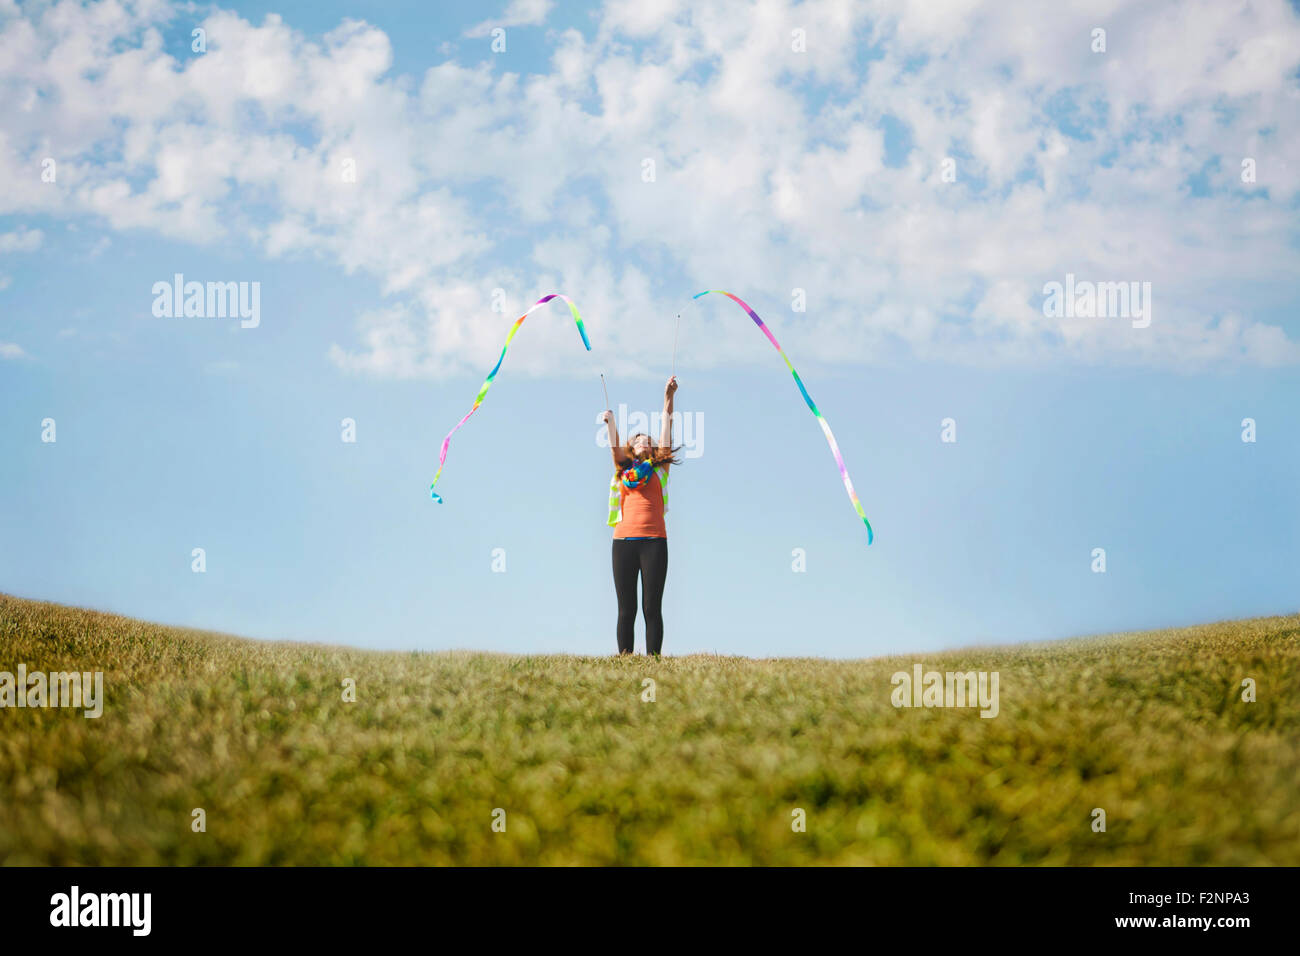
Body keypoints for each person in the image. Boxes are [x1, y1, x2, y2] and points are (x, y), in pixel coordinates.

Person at [601, 376, 681, 655]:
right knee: (627, 609)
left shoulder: (660, 469)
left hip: (654, 542)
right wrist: (611, 423)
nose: (645, 441)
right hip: (623, 543)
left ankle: (653, 660)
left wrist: (668, 397)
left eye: (648, 440)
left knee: (651, 607)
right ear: (631, 448)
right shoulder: (623, 470)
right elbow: (614, 444)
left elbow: (666, 425)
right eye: (638, 439)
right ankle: (625, 659)